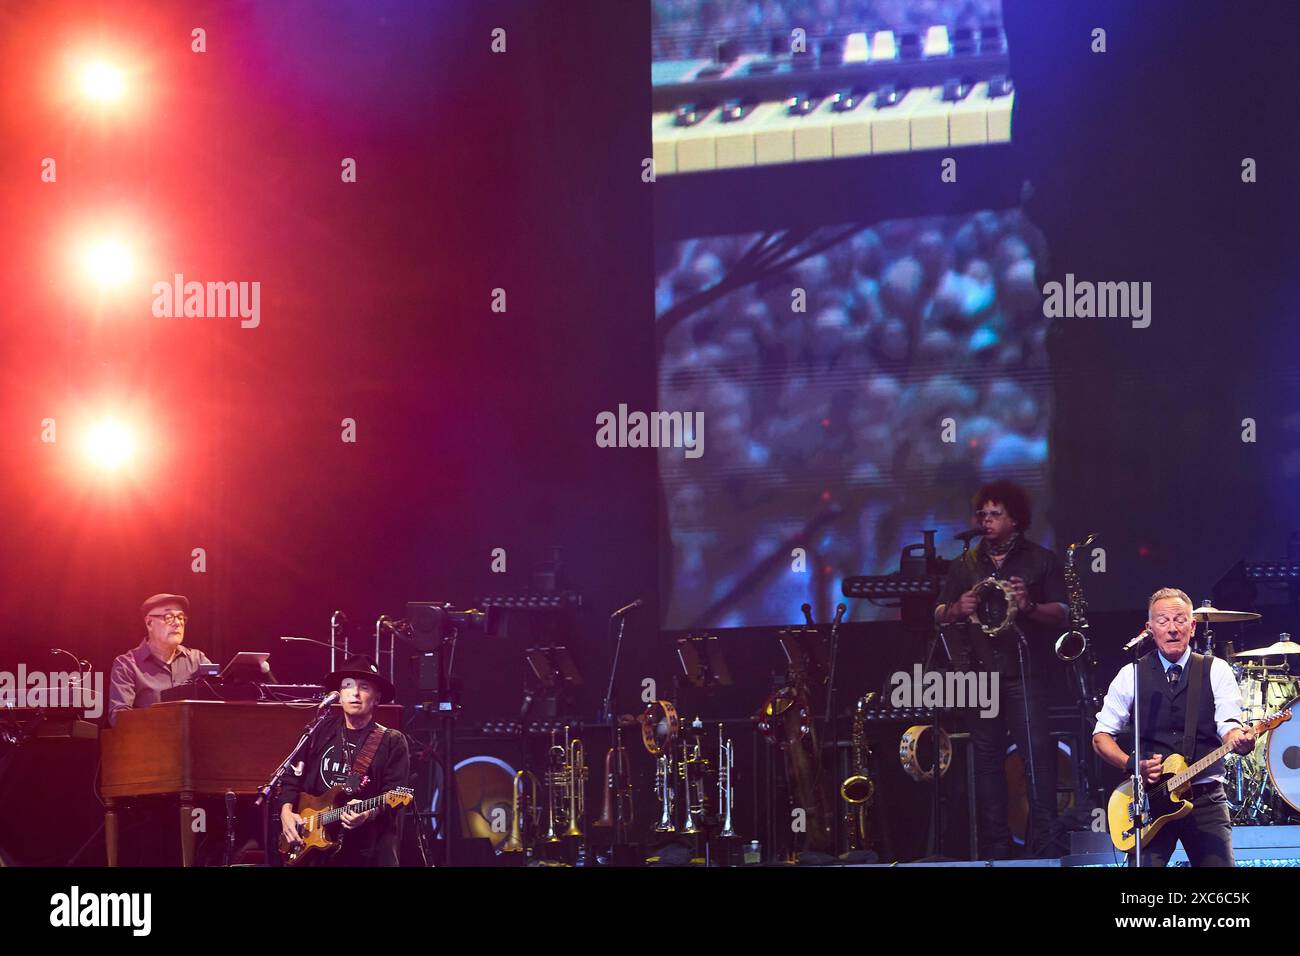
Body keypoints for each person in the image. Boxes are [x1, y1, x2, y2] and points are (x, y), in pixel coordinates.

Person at [934, 480, 1068, 858]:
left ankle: (1044, 847)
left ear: (1016, 519)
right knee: (987, 761)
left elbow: (1062, 613)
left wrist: (1027, 606)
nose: (987, 521)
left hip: (1026, 672)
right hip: (979, 674)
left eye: (996, 514)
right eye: (983, 514)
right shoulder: (966, 563)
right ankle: (996, 848)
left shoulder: (1040, 559)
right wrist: (956, 609)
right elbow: (938, 613)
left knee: (1037, 756)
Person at [1093, 587, 1254, 866]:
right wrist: (1132, 764)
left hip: (1205, 797)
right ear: (1149, 628)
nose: (1172, 629)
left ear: (1192, 627)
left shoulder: (1216, 670)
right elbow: (1101, 736)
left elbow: (1229, 723)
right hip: (1151, 800)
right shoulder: (1131, 673)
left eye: (1179, 620)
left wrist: (1238, 739)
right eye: (1163, 621)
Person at [276, 657, 410, 866]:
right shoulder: (318, 731)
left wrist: (369, 812)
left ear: (377, 698)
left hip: (365, 851)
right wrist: (286, 812)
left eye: (364, 687)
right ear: (338, 696)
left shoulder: (391, 740)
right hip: (314, 849)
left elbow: (395, 794)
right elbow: (291, 777)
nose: (355, 693)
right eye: (347, 686)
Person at [107, 593, 213, 727]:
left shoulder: (198, 660)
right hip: (149, 743)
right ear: (149, 623)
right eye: (169, 617)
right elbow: (118, 716)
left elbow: (218, 699)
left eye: (181, 617)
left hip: (196, 743)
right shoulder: (127, 665)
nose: (177, 623)